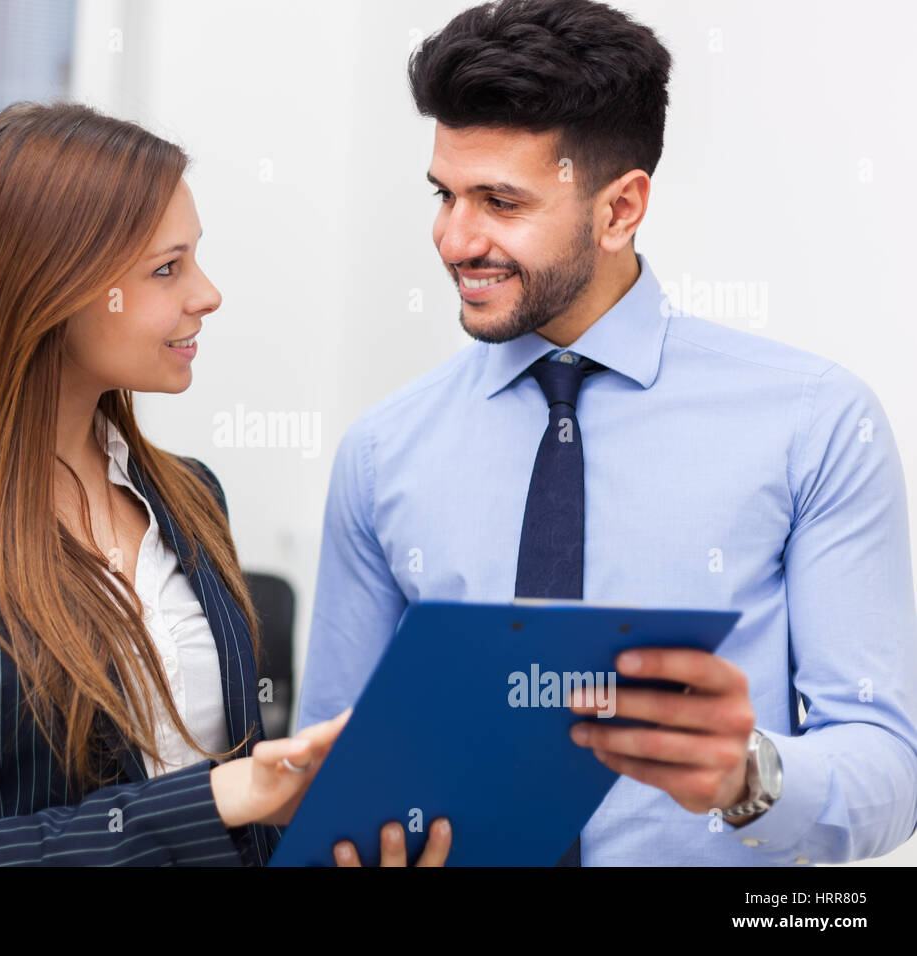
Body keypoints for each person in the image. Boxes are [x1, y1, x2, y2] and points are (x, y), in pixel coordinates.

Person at [297, 0, 917, 866]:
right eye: (444, 194)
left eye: (499, 201)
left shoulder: (813, 423)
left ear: (620, 209)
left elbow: (889, 763)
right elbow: (329, 766)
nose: (452, 238)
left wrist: (748, 776)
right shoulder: (379, 452)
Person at [0, 101, 450, 866]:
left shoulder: (191, 498)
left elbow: (253, 819)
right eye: (167, 269)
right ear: (52, 287)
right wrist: (218, 798)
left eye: (195, 258)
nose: (207, 294)